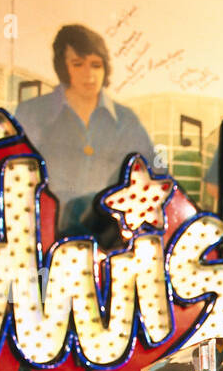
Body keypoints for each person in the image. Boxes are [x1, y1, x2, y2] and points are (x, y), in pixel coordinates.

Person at [15, 24, 156, 241]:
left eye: (96, 65)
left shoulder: (127, 120)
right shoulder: (32, 113)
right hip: (44, 238)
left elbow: (151, 178)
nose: (88, 74)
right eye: (78, 64)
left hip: (111, 243)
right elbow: (17, 178)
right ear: (63, 67)